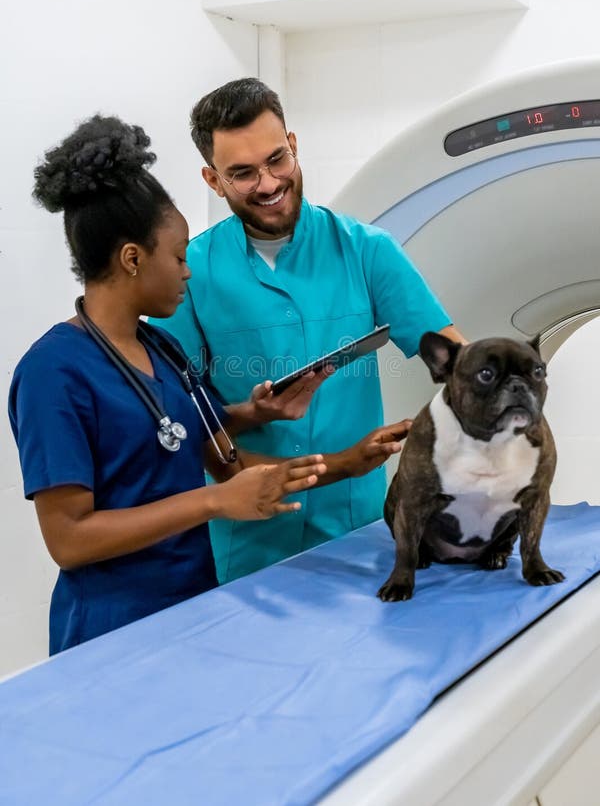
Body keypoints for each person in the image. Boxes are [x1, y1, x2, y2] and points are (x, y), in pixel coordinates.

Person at [8, 115, 410, 655]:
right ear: (132, 259)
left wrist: (316, 446)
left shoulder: (162, 349)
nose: (188, 272)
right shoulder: (54, 372)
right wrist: (214, 503)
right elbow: (69, 539)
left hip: (196, 607)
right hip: (112, 630)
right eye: (177, 258)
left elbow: (212, 447)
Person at [153, 78, 467, 583]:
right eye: (243, 173)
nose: (269, 182)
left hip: (355, 529)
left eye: (277, 159)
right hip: (247, 542)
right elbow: (176, 417)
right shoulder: (189, 271)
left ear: (293, 146)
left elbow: (460, 362)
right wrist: (250, 413)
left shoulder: (368, 251)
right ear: (213, 181)